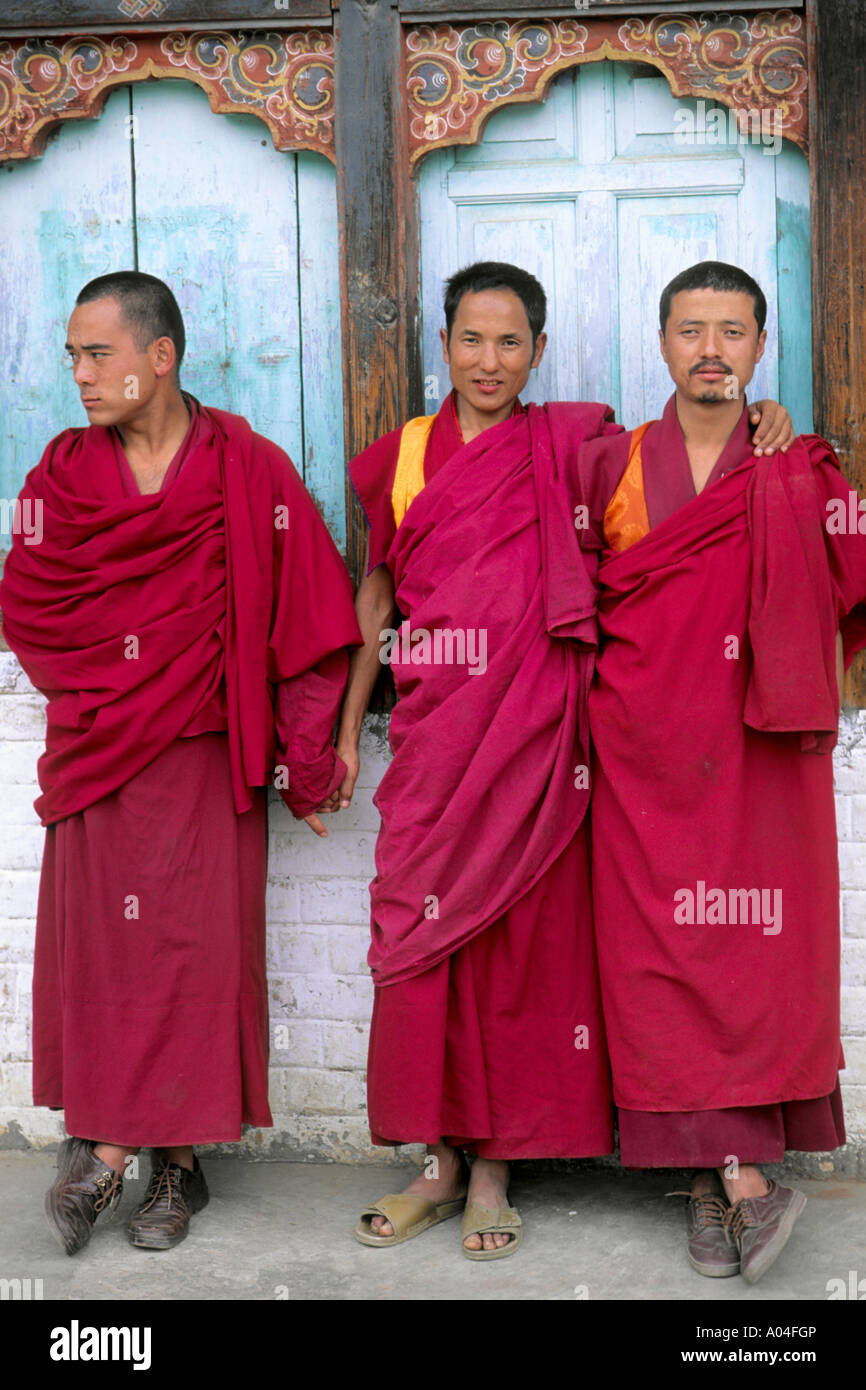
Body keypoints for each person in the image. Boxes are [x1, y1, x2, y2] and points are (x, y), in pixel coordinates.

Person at [337, 260, 793, 1258]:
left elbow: (674, 491)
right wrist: (340, 735)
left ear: (539, 352)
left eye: (510, 343)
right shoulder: (399, 457)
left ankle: (496, 1167)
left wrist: (774, 421)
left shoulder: (571, 447)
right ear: (441, 347)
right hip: (433, 741)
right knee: (420, 945)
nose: (488, 360)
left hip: (538, 737)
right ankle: (436, 1163)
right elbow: (376, 602)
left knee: (516, 956)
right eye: (469, 339)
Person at [0, 271, 361, 1255]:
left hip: (204, 759)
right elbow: (28, 605)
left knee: (196, 962)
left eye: (96, 352)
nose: (77, 373)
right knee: (110, 960)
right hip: (105, 754)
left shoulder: (246, 468)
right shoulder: (63, 478)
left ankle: (144, 1161)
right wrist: (108, 687)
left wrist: (304, 759)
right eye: (72, 353)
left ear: (159, 357)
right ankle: (154, 1163)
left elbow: (313, 621)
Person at [578, 260, 866, 1284]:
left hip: (758, 755)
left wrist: (816, 681)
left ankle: (735, 1170)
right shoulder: (608, 463)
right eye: (690, 328)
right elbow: (573, 601)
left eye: (731, 331)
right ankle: (707, 1175)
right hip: (640, 754)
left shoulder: (798, 464)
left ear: (758, 346)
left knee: (754, 956)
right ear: (661, 342)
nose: (711, 348)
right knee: (658, 957)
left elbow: (848, 577)